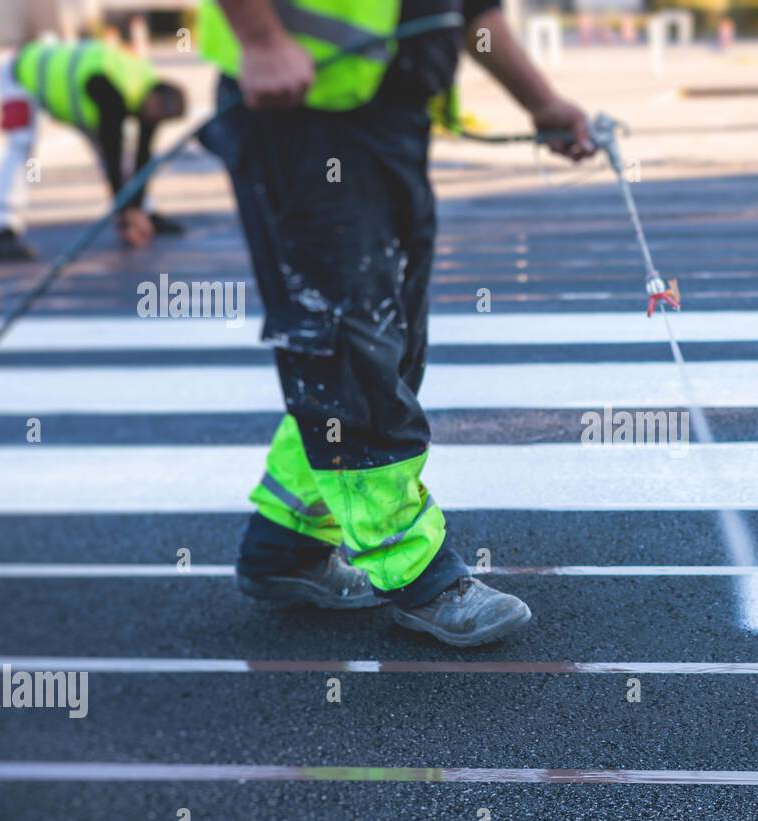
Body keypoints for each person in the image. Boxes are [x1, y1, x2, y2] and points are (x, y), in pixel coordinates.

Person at [198, 0, 595, 647]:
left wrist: (542, 103)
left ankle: (285, 545)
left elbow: (472, 14)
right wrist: (260, 35)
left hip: (388, 119)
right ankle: (416, 575)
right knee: (348, 344)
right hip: (300, 114)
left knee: (391, 338)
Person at [0, 38, 188, 261]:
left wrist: (136, 210)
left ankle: (144, 211)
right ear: (154, 99)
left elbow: (142, 156)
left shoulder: (148, 91)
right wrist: (126, 215)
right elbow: (113, 154)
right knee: (21, 145)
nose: (150, 124)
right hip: (22, 74)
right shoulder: (111, 93)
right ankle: (3, 229)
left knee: (122, 152)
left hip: (75, 99)